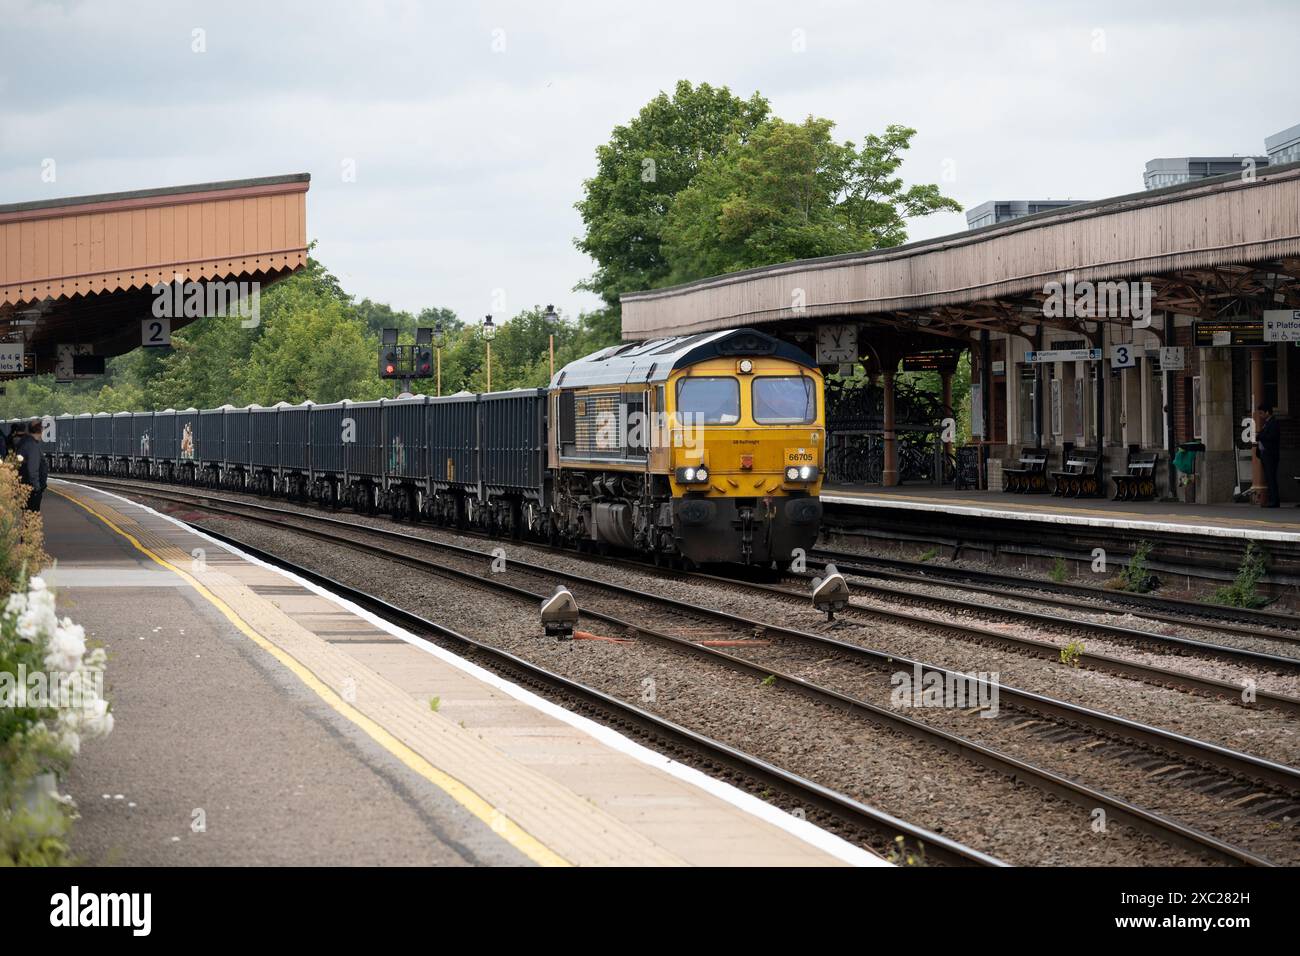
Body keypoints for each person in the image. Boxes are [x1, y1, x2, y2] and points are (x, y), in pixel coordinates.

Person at [14, 418, 48, 512]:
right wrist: (37, 488)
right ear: (39, 430)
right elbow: (32, 469)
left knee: (27, 515)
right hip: (31, 489)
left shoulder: (25, 442)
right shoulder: (32, 446)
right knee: (32, 515)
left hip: (26, 486)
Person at [1256, 404, 1281, 508]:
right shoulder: (1266, 423)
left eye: (1261, 413)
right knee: (1268, 478)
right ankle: (1272, 500)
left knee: (1271, 478)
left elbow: (1272, 437)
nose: (1260, 415)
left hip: (1270, 455)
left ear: (1267, 412)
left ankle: (1274, 501)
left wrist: (1260, 436)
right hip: (1265, 454)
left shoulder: (1273, 423)